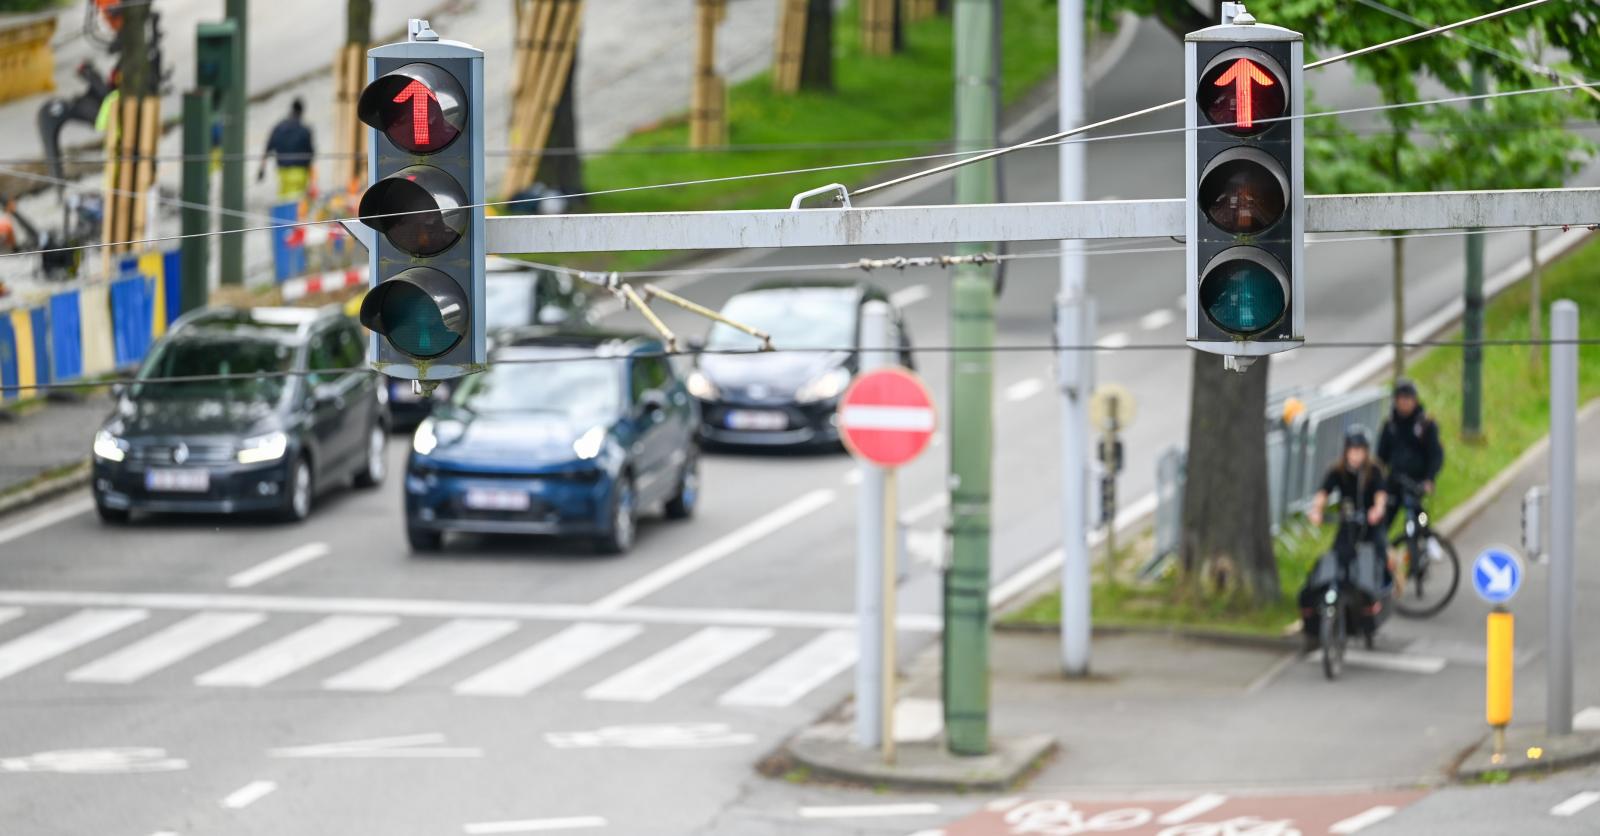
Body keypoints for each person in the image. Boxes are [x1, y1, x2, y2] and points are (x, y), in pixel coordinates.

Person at [1299, 425, 1390, 649]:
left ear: (1366, 451)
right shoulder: (1337, 471)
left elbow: (1380, 496)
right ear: (1346, 451)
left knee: (1372, 569)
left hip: (1369, 528)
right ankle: (1315, 632)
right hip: (1348, 526)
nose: (1356, 455)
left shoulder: (1374, 472)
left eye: (1360, 450)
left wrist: (1376, 510)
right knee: (1332, 566)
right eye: (1352, 450)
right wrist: (1317, 511)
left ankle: (1370, 620)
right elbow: (1323, 493)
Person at [1376, 377, 1445, 528]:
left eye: (1408, 398)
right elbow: (1380, 458)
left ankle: (1427, 538)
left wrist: (1429, 479)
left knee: (1420, 517)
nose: (1405, 402)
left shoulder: (1425, 424)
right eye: (1401, 398)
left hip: (1416, 483)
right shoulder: (1390, 425)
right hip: (1394, 482)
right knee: (1383, 521)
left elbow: (1436, 454)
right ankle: (1382, 547)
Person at [257, 98, 316, 199]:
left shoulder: (279, 127)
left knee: (284, 199)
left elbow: (268, 148)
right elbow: (310, 153)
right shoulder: (305, 130)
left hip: (282, 171)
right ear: (302, 112)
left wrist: (262, 169)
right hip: (300, 172)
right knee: (297, 202)